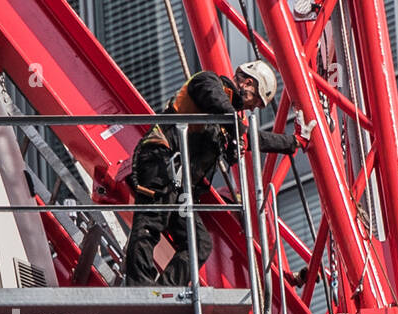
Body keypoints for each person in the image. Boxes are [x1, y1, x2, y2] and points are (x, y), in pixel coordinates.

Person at [124, 60, 302, 286]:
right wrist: (235, 129)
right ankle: (140, 291)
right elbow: (218, 104)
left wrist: (293, 142)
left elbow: (254, 139)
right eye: (255, 100)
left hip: (179, 182)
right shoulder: (207, 82)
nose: (252, 108)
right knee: (150, 223)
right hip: (159, 158)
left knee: (199, 243)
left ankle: (163, 293)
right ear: (247, 83)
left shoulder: (229, 125)